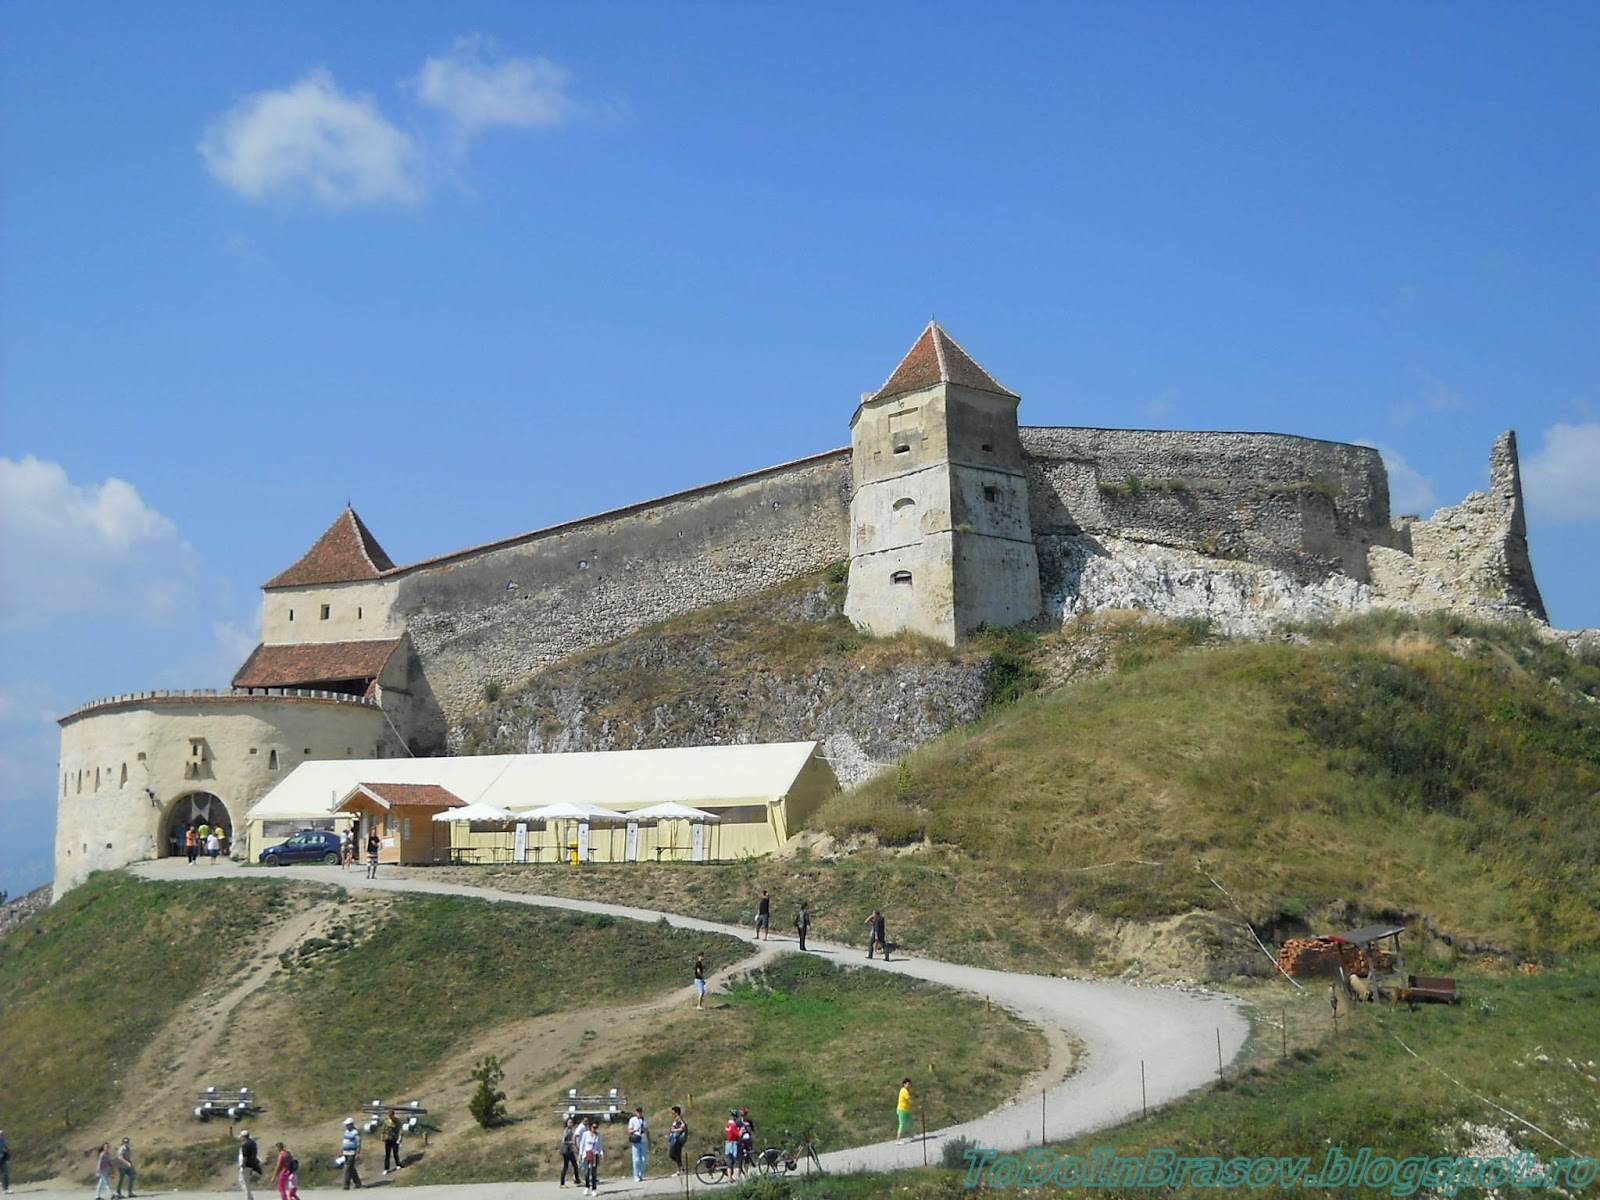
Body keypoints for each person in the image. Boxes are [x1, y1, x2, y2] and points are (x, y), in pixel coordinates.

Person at [576, 1116, 603, 1195]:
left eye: (596, 1127)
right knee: (587, 1172)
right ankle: (587, 1187)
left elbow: (600, 1146)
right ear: (590, 1127)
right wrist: (580, 1155)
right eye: (594, 1127)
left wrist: (602, 1154)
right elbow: (582, 1145)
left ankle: (594, 1189)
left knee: (594, 1173)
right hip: (586, 1155)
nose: (595, 1129)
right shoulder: (585, 1134)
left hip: (595, 1155)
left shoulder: (598, 1135)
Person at [558, 1117, 582, 1188]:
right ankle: (562, 1183)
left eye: (572, 1122)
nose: (571, 1124)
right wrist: (571, 1142)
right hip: (566, 1151)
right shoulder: (566, 1130)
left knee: (575, 1165)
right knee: (566, 1167)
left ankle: (577, 1181)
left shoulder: (571, 1130)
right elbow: (563, 1141)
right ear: (567, 1123)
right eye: (569, 1122)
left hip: (570, 1150)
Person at [626, 1105, 648, 1182]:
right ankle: (636, 1175)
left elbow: (647, 1130)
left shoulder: (645, 1119)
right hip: (636, 1140)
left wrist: (649, 1139)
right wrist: (635, 1130)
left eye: (640, 1111)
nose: (639, 1113)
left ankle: (641, 1174)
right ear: (636, 1112)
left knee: (643, 1159)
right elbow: (629, 1131)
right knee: (636, 1159)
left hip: (644, 1140)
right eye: (638, 1111)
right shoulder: (632, 1120)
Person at [339, 1117, 362, 1190]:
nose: (346, 1126)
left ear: (351, 1125)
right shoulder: (346, 1131)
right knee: (351, 1169)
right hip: (346, 1152)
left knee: (348, 1169)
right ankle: (358, 1183)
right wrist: (342, 1151)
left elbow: (358, 1143)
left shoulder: (355, 1133)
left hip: (352, 1153)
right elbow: (344, 1142)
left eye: (347, 1125)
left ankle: (346, 1185)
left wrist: (358, 1153)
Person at [238, 1130, 261, 1200]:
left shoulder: (245, 1145)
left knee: (243, 1182)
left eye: (241, 1137)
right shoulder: (253, 1143)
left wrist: (242, 1165)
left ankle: (247, 1197)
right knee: (246, 1182)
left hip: (246, 1165)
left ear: (244, 1137)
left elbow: (245, 1157)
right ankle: (250, 1197)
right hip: (251, 1165)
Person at [666, 1106, 688, 1176]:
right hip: (674, 1139)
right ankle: (681, 1168)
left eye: (673, 1113)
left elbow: (683, 1127)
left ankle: (680, 1168)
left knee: (674, 1154)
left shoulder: (679, 1119)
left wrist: (674, 1130)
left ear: (676, 1112)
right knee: (676, 1154)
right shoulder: (676, 1119)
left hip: (678, 1140)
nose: (672, 1114)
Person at [896, 1078, 915, 1144]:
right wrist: (915, 1105)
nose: (909, 1085)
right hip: (902, 1110)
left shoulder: (905, 1090)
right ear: (904, 1084)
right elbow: (909, 1100)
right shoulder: (904, 1091)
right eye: (908, 1084)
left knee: (911, 1122)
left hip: (906, 1110)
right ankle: (898, 1140)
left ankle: (910, 1135)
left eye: (909, 1084)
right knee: (902, 1124)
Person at [722, 1111, 741, 1177]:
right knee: (737, 1162)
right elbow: (738, 1134)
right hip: (734, 1145)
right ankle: (738, 1177)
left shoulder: (728, 1125)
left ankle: (730, 1178)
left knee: (729, 1163)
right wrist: (741, 1130)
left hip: (728, 1144)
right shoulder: (733, 1126)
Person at [0, 1126, 10, 1195]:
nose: (1, 1136)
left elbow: (5, 1147)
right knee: (5, 1173)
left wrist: (6, 1152)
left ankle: (5, 1188)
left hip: (2, 1158)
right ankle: (5, 1188)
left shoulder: (2, 1141)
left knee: (5, 1173)